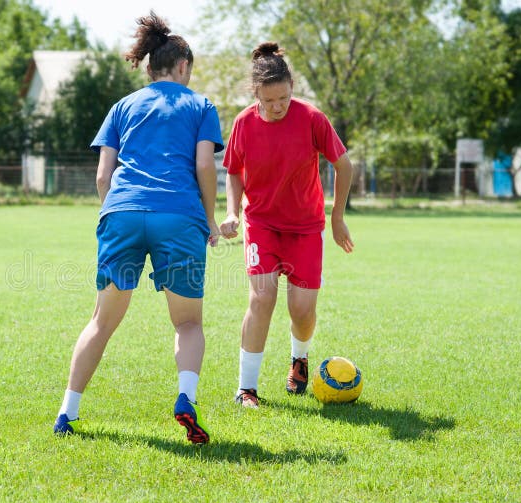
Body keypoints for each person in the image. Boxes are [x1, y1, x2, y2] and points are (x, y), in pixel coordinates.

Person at [53, 12, 224, 443]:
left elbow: (101, 177)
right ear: (183, 66)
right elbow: (205, 164)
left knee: (101, 321)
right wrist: (210, 220)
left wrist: (113, 216)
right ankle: (186, 399)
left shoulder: (122, 107)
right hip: (179, 218)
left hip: (122, 212)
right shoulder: (200, 106)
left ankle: (67, 413)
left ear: (149, 68)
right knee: (187, 323)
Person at [220, 42, 354, 408]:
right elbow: (233, 170)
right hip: (261, 224)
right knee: (262, 298)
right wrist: (233, 213)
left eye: (283, 97)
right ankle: (246, 388)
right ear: (256, 95)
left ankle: (300, 358)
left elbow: (344, 165)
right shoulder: (244, 123)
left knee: (302, 310)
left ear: (291, 86)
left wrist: (337, 217)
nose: (277, 106)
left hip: (306, 228)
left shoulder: (312, 118)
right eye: (269, 100)